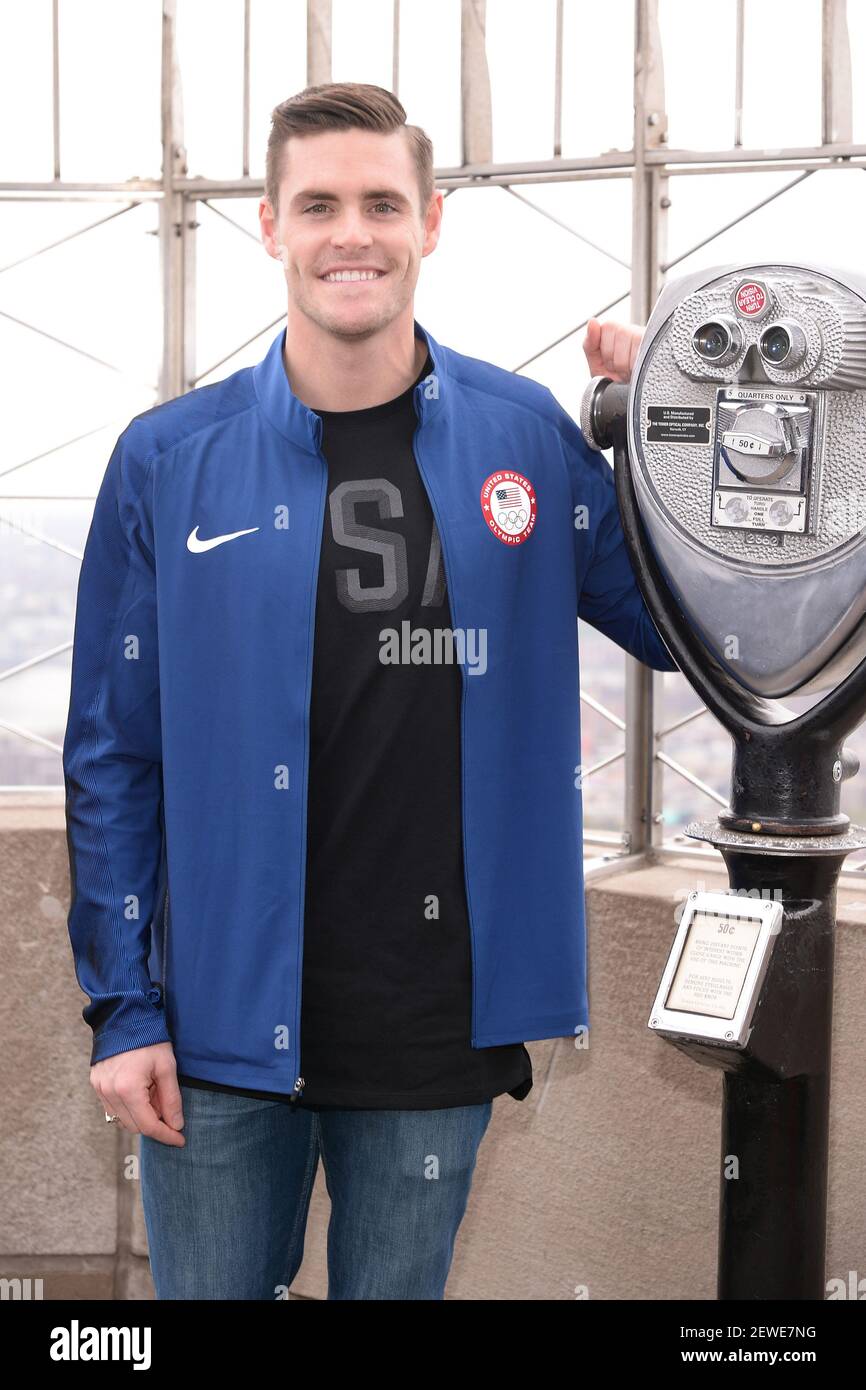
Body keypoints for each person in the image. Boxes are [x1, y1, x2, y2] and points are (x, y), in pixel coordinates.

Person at [62, 81, 675, 1301]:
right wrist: (123, 1010)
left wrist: (671, 423)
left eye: (382, 202)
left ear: (431, 221)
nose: (353, 232)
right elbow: (112, 756)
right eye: (320, 203)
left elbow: (680, 631)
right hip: (221, 1025)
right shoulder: (165, 459)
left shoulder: (524, 435)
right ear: (269, 225)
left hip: (434, 1027)